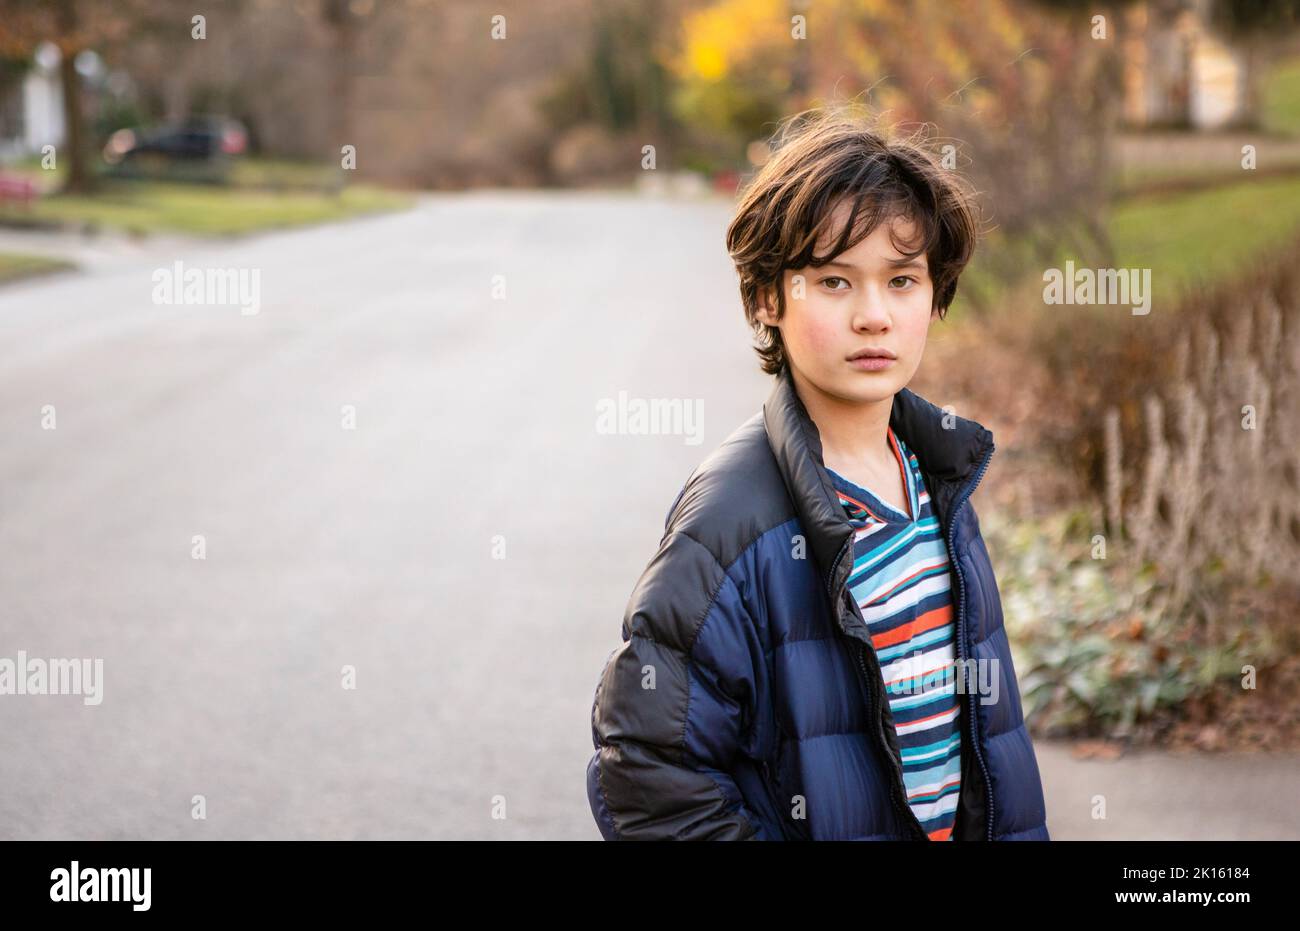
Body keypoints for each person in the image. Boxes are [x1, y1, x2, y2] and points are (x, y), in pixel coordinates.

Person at [585, 107, 1050, 841]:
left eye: (902, 280)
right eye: (835, 282)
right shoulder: (728, 523)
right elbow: (644, 772)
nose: (875, 315)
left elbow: (984, 743)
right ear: (769, 298)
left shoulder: (939, 475)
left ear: (935, 296)